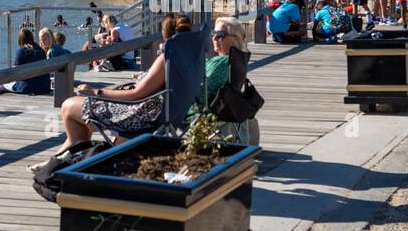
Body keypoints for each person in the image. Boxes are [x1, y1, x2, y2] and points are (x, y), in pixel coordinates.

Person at [47, 14, 189, 160]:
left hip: (138, 115)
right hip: (165, 114)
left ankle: (63, 160)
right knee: (82, 120)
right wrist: (144, 76)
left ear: (164, 33)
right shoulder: (188, 57)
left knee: (68, 106)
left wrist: (96, 91)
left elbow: (136, 94)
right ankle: (58, 160)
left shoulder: (167, 58)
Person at [194, 17, 259, 146]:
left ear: (235, 38)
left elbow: (200, 93)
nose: (214, 39)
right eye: (213, 34)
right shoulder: (237, 60)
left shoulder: (223, 63)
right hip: (225, 106)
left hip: (201, 108)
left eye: (220, 35)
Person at [0, 28, 50, 95]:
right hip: (44, 86)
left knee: (1, 88)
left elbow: (15, 71)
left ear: (20, 39)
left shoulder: (21, 50)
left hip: (27, 87)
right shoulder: (41, 50)